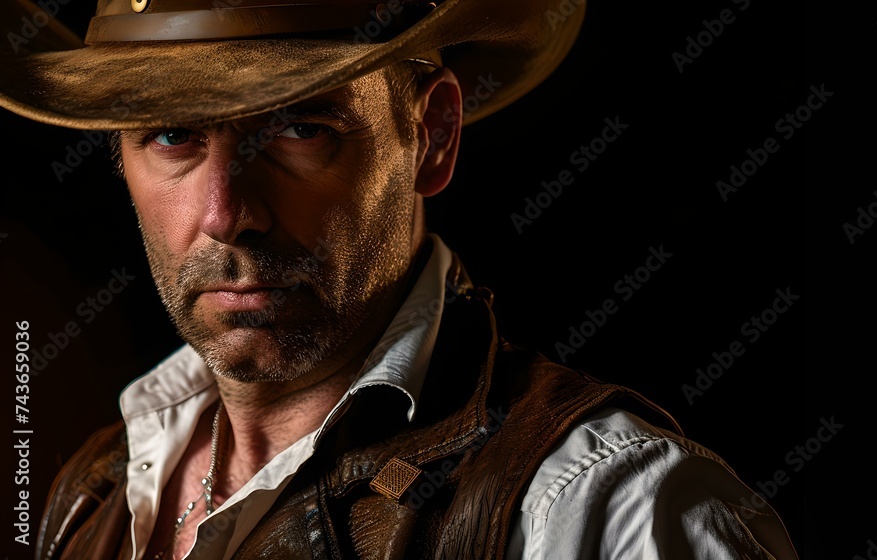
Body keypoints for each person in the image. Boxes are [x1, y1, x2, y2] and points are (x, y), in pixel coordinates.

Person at [2, 0, 800, 558]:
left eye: (300, 128)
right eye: (172, 135)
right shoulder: (97, 491)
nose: (224, 212)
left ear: (433, 135)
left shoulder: (609, 511)